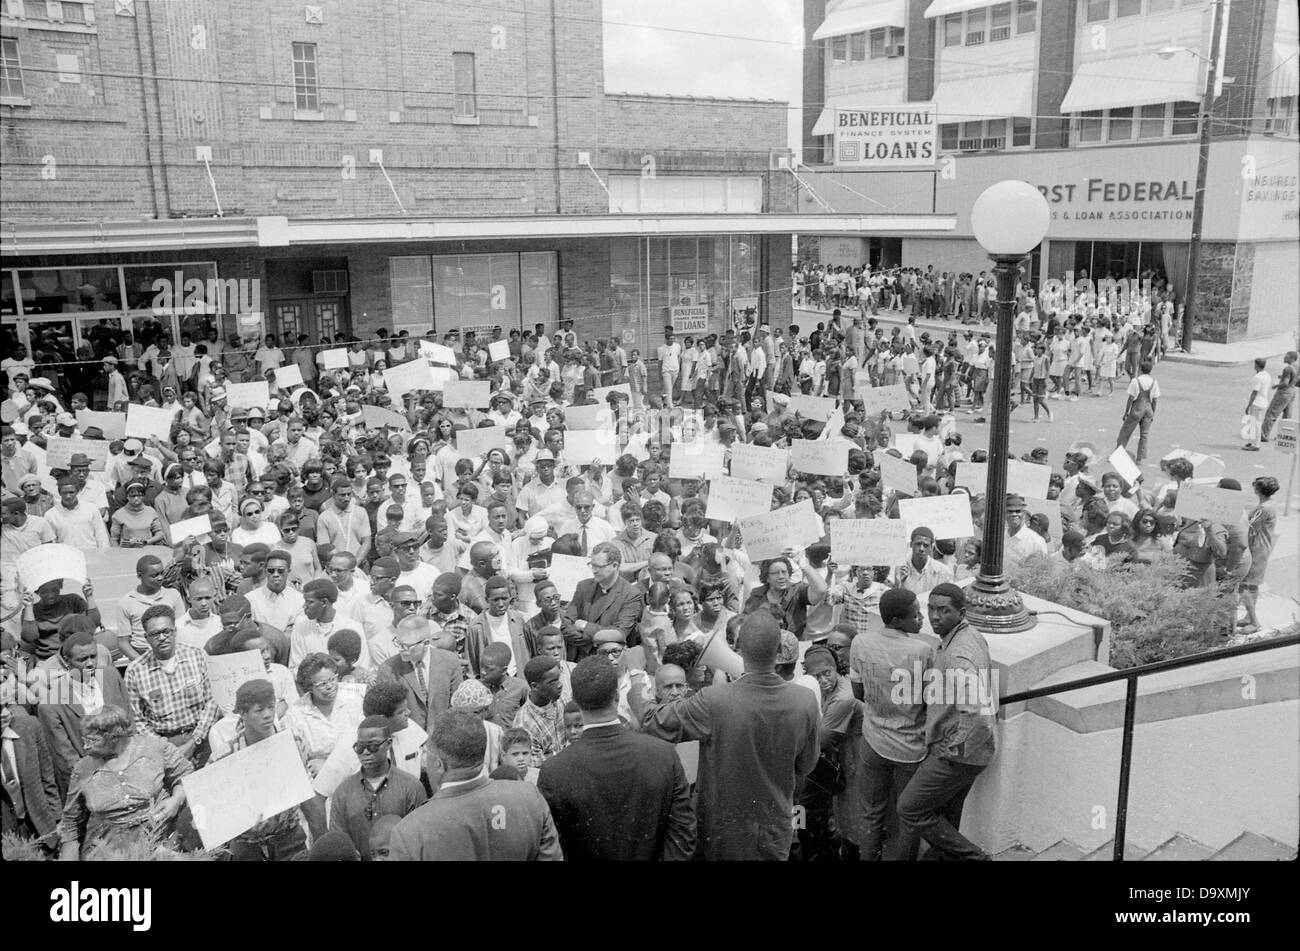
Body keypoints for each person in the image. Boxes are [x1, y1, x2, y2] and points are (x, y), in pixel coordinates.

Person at [640, 612, 820, 861]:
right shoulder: (805, 699)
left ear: (740, 648)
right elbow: (807, 765)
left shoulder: (714, 700)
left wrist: (637, 686)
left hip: (722, 832)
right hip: (774, 828)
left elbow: (652, 722)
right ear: (778, 650)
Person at [537, 655, 695, 861]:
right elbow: (682, 836)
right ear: (617, 697)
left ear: (575, 701)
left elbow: (552, 847)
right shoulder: (663, 755)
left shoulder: (554, 771)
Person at [897, 583, 996, 861]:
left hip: (958, 753)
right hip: (972, 750)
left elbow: (977, 713)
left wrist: (955, 748)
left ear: (961, 612)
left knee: (910, 808)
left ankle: (976, 858)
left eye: (944, 610)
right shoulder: (967, 635)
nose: (935, 616)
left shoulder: (957, 655)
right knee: (947, 817)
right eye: (931, 609)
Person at [388, 710, 564, 860]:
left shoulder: (409, 832)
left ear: (439, 764)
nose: (424, 760)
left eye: (427, 754)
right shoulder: (529, 797)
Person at [851, 588, 933, 861]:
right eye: (916, 615)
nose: (922, 619)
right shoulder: (922, 650)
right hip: (910, 748)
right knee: (909, 816)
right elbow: (930, 700)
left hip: (873, 740)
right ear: (897, 621)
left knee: (871, 812)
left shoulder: (860, 642)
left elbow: (858, 692)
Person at [57, 705, 193, 860]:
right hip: (111, 851)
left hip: (162, 840)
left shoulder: (153, 748)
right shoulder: (82, 770)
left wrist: (176, 799)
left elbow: (185, 773)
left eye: (93, 740)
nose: (85, 746)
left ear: (114, 737)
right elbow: (71, 825)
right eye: (84, 739)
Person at [211, 679, 312, 861]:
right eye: (259, 710)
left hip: (289, 840)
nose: (268, 715)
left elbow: (306, 795)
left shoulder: (293, 743)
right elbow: (213, 812)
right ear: (242, 713)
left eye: (271, 707)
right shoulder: (224, 757)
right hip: (246, 848)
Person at [124, 605, 221, 766]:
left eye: (166, 631)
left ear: (175, 631)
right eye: (155, 634)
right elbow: (137, 720)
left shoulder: (197, 656)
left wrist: (194, 740)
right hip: (164, 748)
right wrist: (166, 749)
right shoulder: (135, 671)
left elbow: (212, 700)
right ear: (146, 637)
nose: (162, 637)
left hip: (203, 738)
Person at [327, 715, 428, 860]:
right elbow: (339, 847)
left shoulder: (411, 788)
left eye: (373, 746)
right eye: (360, 747)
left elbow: (419, 842)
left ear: (389, 743)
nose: (366, 752)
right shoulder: (343, 793)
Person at [376, 616, 463, 733]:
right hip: (407, 740)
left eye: (407, 646)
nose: (401, 650)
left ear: (426, 643)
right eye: (398, 643)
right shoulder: (388, 669)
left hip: (443, 737)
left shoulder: (450, 662)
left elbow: (457, 707)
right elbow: (387, 715)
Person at [560, 541, 644, 660]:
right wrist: (596, 640)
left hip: (611, 661)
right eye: (592, 565)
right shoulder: (583, 587)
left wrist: (585, 626)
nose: (594, 570)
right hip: (580, 659)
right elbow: (565, 626)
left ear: (615, 565)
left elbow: (619, 633)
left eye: (599, 566)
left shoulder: (631, 594)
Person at [0, 696, 61, 850]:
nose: (5, 713)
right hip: (7, 836)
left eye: (5, 706)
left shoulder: (30, 726)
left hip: (40, 826)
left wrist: (58, 818)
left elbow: (47, 777)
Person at [1238, 476, 1279, 634]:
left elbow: (1249, 527)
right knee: (1251, 585)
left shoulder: (1263, 508)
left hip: (1256, 548)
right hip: (1261, 547)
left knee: (1246, 585)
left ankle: (1254, 621)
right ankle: (1249, 616)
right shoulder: (1268, 505)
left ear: (1258, 489)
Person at [1115, 359, 1159, 464]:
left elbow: (1130, 398)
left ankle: (1118, 453)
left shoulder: (1136, 381)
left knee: (1126, 431)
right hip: (1148, 408)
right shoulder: (1154, 382)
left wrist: (1126, 412)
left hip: (1137, 407)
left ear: (1140, 369)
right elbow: (1155, 400)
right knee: (1144, 435)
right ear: (1150, 371)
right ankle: (1139, 458)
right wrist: (1153, 412)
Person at [1260, 350, 1297, 442]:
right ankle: (1284, 436)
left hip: (1284, 393)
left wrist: (1275, 386)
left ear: (1292, 358)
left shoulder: (1287, 368)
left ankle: (1264, 435)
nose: (1284, 357)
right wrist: (1283, 376)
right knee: (1287, 415)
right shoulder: (1297, 366)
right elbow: (1296, 378)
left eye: (1287, 356)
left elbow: (1285, 383)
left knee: (1271, 414)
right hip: (1292, 391)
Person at [1242, 357, 1271, 451]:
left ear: (1256, 365)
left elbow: (1255, 392)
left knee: (1256, 424)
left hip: (1257, 403)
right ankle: (1254, 442)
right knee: (1254, 423)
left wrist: (1249, 405)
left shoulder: (1258, 377)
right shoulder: (1267, 375)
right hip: (1263, 401)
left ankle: (1256, 445)